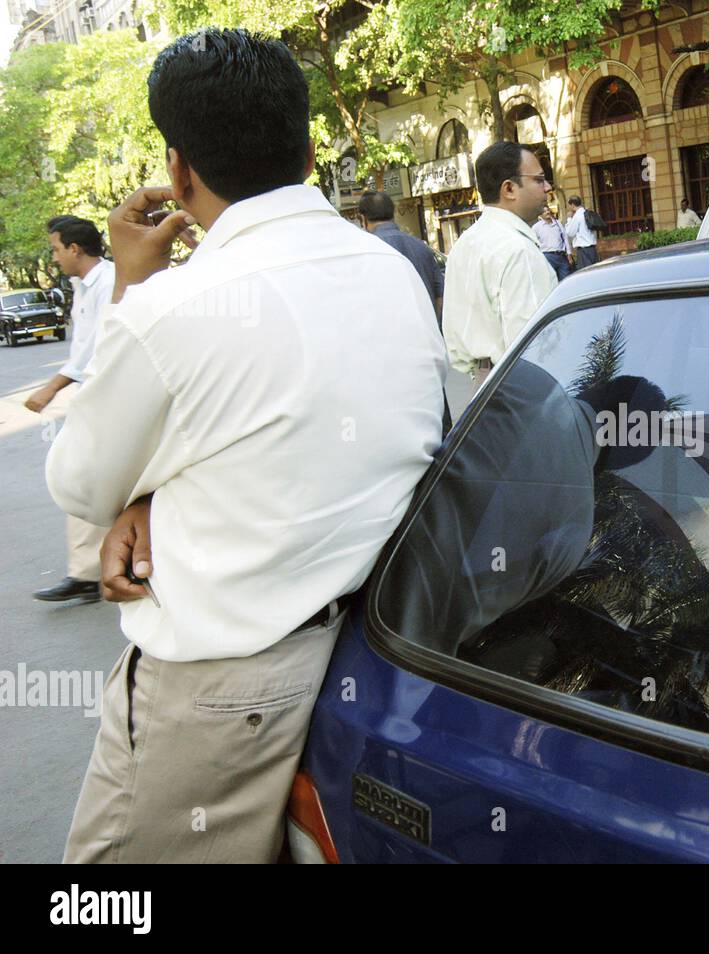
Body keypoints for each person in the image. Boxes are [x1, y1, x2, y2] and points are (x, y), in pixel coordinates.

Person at [49, 28, 447, 863]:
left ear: (180, 169)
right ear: (308, 152)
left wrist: (128, 284)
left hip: (220, 697)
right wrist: (160, 495)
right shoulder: (391, 272)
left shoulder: (171, 309)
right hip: (369, 657)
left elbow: (80, 484)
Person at [26, 216, 116, 604]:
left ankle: (91, 571)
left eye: (56, 248)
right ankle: (89, 570)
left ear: (75, 249)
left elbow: (94, 350)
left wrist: (50, 388)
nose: (56, 256)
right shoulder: (84, 286)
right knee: (90, 478)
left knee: (82, 474)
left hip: (111, 395)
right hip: (96, 395)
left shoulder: (109, 281)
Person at [443, 141, 556, 391]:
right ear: (509, 189)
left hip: (481, 386)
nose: (547, 187)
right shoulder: (519, 250)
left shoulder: (466, 243)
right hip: (521, 390)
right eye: (539, 180)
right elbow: (535, 350)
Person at [358, 189, 445, 325]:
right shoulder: (422, 247)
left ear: (363, 219)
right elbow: (440, 297)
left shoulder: (363, 252)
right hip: (429, 336)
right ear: (394, 214)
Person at [532, 203, 572, 281]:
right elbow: (532, 242)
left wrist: (569, 253)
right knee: (550, 280)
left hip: (561, 255)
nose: (547, 212)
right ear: (540, 215)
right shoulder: (536, 227)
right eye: (544, 212)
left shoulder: (557, 223)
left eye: (548, 210)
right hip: (547, 256)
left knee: (565, 280)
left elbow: (565, 238)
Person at [565, 195, 600, 270]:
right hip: (592, 248)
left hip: (584, 250)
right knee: (594, 270)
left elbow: (570, 233)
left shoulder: (577, 216)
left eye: (569, 205)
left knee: (586, 272)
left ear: (572, 205)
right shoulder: (587, 213)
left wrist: (569, 219)